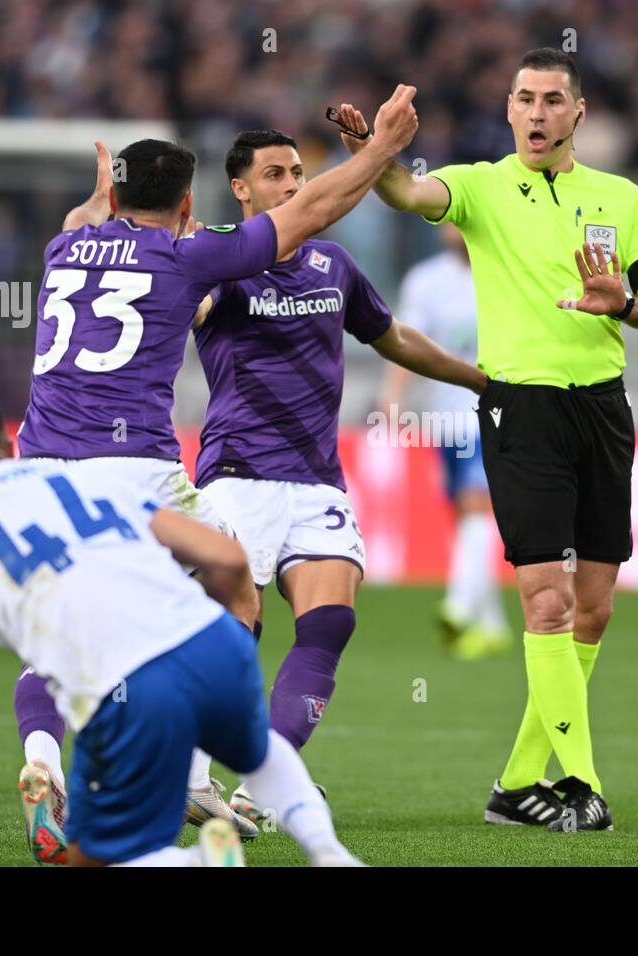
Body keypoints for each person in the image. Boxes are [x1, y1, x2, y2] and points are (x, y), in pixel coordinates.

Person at [8, 86, 421, 859]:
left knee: (63, 625)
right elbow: (310, 214)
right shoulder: (186, 254)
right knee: (232, 580)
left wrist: (98, 203)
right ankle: (209, 766)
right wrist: (378, 150)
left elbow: (79, 223)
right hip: (131, 469)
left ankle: (41, 763)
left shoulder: (63, 249)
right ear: (192, 201)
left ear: (115, 196)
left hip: (38, 469)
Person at [335, 49, 638, 831]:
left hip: (602, 409)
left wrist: (620, 300)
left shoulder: (621, 199)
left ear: (578, 113)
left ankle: (516, 786)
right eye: (523, 98)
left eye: (552, 100)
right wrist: (375, 150)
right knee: (546, 597)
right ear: (509, 109)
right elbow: (404, 190)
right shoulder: (480, 186)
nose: (535, 113)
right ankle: (582, 786)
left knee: (593, 609)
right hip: (519, 408)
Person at [0, 387, 361, 867]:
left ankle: (201, 861)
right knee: (258, 751)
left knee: (89, 861)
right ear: (4, 445)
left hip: (124, 685)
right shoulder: (82, 483)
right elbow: (225, 556)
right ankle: (330, 853)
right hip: (211, 639)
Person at [188, 130, 486, 822]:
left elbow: (397, 338)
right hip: (238, 473)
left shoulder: (333, 263)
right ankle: (191, 775)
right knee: (236, 624)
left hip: (317, 479)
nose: (291, 184)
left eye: (298, 172)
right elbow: (190, 310)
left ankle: (268, 777)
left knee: (330, 625)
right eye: (274, 174)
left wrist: (484, 382)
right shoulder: (221, 258)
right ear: (242, 189)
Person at [375, 223, 511, 661]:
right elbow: (404, 340)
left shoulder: (507, 271)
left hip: (496, 414)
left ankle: (457, 606)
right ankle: (492, 625)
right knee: (465, 515)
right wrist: (392, 395)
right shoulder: (426, 280)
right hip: (444, 417)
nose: (450, 227)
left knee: (475, 503)